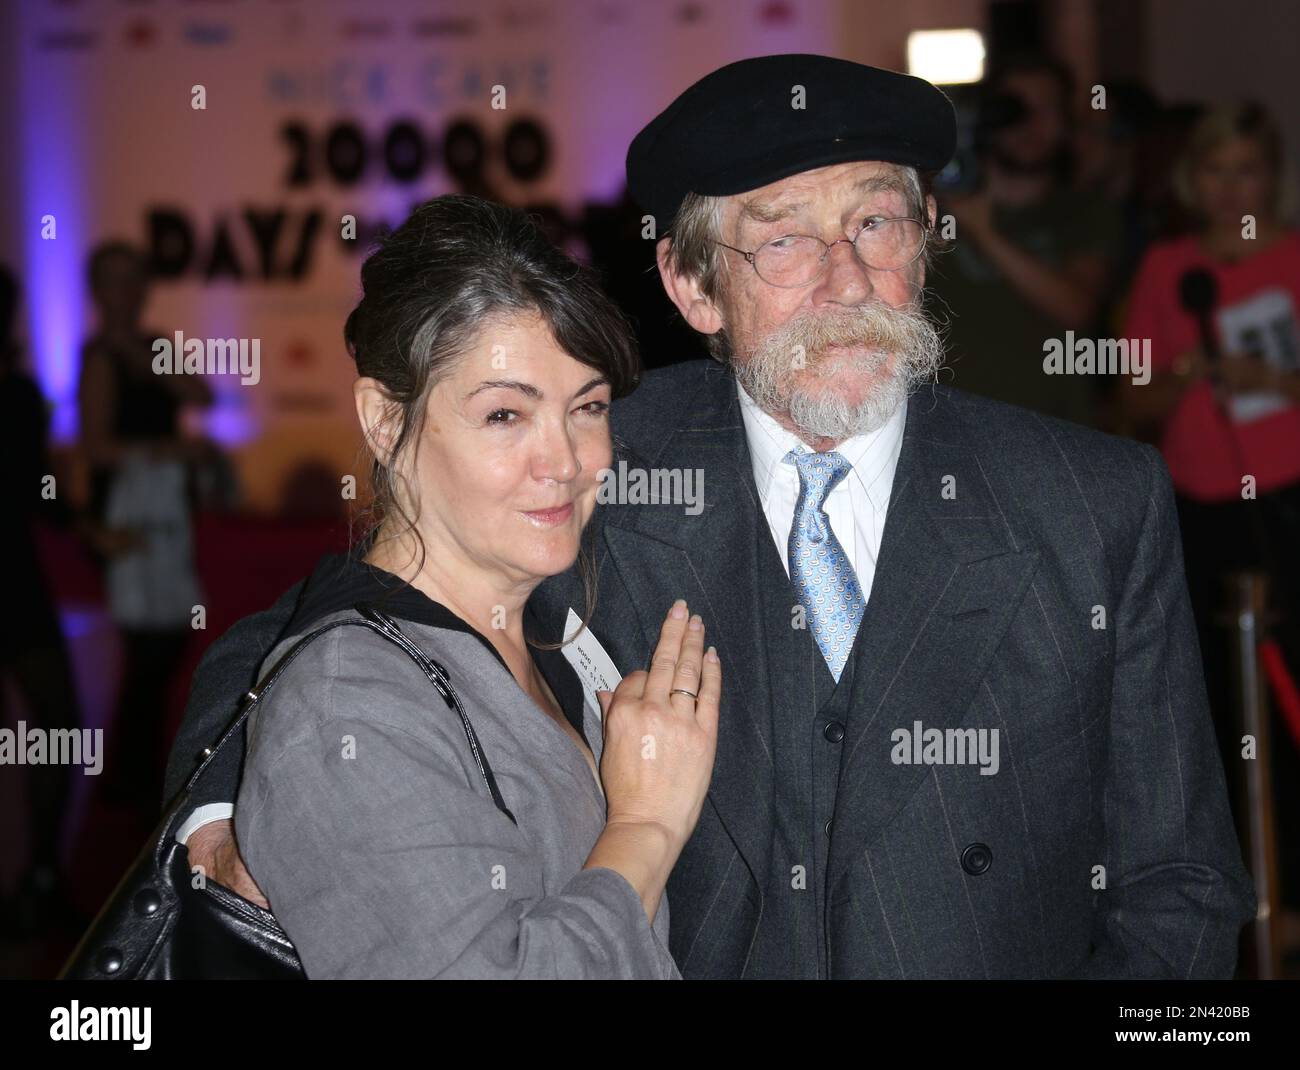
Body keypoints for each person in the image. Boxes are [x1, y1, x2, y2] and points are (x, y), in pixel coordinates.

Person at [166, 54, 1254, 978]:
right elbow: (327, 628)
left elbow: (1183, 882)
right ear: (691, 287)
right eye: (781, 240)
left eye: (878, 220)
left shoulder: (1089, 499)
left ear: (923, 239)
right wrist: (219, 820)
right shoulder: (590, 455)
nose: (847, 279)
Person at [219, 196, 718, 978]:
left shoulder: (545, 619)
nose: (565, 460)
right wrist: (648, 824)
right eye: (503, 416)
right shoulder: (350, 702)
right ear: (386, 423)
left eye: (586, 407)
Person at [1118, 101, 1300, 930]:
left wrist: (1273, 383)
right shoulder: (1168, 266)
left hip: (1289, 503)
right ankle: (1240, 893)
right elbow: (1132, 396)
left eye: (1249, 170)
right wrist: (1189, 369)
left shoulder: (1295, 258)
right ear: (1196, 177)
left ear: (1274, 177)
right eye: (1218, 170)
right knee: (1220, 702)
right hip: (1199, 504)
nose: (1233, 188)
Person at [78, 242, 213, 811]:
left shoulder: (153, 346)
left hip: (164, 515)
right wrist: (168, 449)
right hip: (128, 517)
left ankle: (137, 776)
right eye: (114, 281)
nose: (125, 292)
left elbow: (202, 394)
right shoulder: (98, 357)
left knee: (163, 642)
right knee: (148, 647)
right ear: (96, 290)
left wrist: (154, 361)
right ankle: (130, 783)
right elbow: (97, 449)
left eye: (134, 279)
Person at [929, 53, 1123, 427]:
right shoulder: (933, 211)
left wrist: (984, 233)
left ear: (1067, 122)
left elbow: (1076, 307)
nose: (1031, 124)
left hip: (1056, 435)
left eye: (1048, 109)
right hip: (952, 435)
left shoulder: (1085, 211)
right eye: (1015, 109)